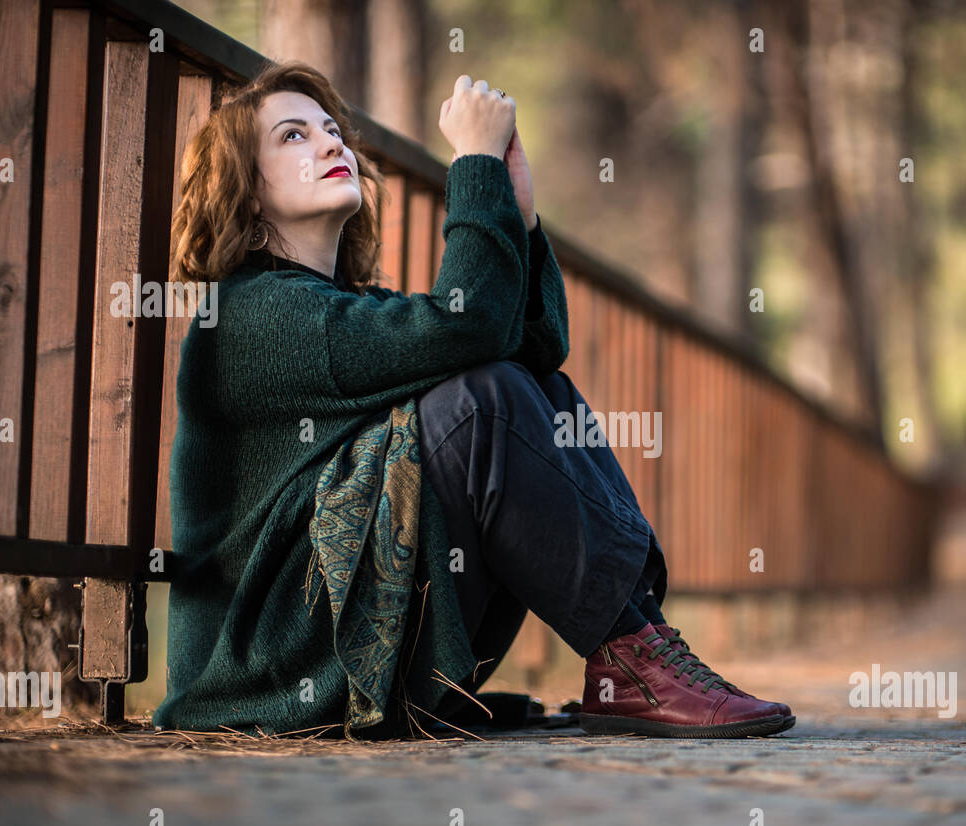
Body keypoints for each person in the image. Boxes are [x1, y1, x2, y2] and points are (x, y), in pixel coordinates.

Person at [155, 60, 793, 740]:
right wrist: (476, 164)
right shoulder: (256, 316)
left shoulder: (335, 308)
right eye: (292, 136)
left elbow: (532, 349)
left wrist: (516, 213)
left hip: (342, 637)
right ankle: (630, 656)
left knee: (539, 390)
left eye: (333, 130)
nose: (330, 143)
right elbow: (469, 330)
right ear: (246, 191)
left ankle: (637, 648)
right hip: (272, 666)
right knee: (482, 401)